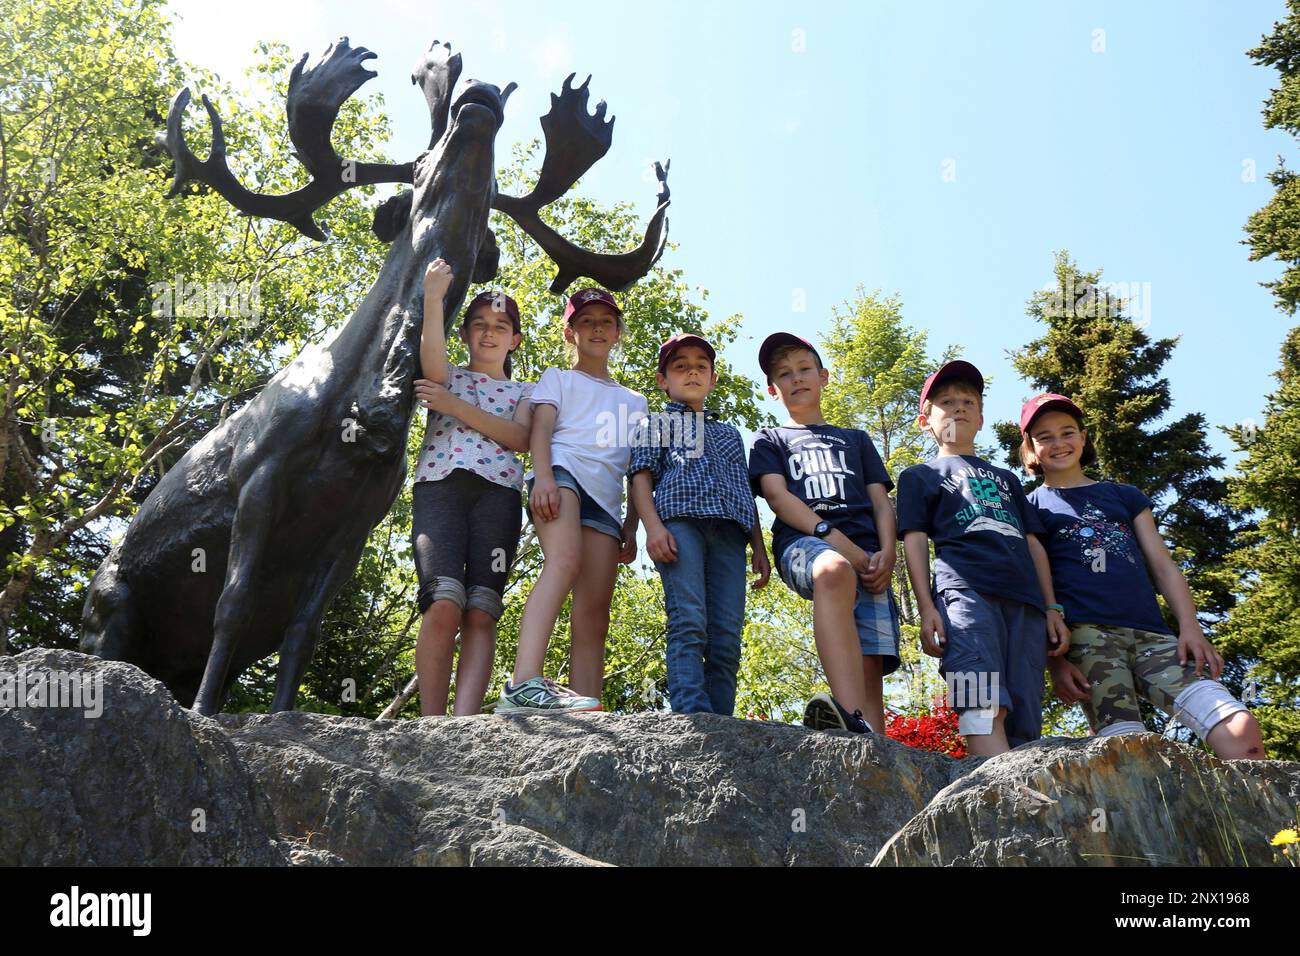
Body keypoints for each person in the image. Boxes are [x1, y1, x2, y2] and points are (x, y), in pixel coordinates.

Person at [1020, 393, 1267, 758]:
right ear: (1031, 447)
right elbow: (1034, 586)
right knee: (1129, 754)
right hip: (1088, 641)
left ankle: (1255, 815)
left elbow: (1162, 564)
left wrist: (1190, 627)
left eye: (1067, 432)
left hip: (1154, 636)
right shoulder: (1030, 507)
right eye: (1045, 436)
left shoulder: (1124, 496)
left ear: (1084, 437)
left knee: (1239, 729)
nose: (1059, 443)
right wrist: (1056, 662)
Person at [896, 361, 1071, 755]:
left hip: (1026, 604)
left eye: (968, 402)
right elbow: (915, 541)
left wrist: (1052, 607)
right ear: (925, 421)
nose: (958, 408)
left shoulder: (1007, 479)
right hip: (965, 592)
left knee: (1026, 706)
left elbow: (1033, 544)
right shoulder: (919, 476)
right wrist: (927, 607)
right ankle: (991, 782)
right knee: (976, 689)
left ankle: (1024, 794)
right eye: (945, 402)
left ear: (980, 419)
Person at [499, 288, 648, 712]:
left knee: (595, 608)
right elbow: (540, 431)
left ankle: (588, 704)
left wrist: (632, 526)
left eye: (606, 321)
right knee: (563, 561)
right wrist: (543, 477)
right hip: (561, 473)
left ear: (618, 333)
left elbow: (638, 467)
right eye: (586, 321)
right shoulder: (557, 378)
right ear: (570, 332)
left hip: (606, 501)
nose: (597, 328)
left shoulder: (634, 401)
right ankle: (523, 682)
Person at [748, 333, 899, 735]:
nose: (795, 378)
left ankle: (873, 747)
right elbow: (777, 497)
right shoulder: (770, 439)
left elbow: (882, 502)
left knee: (870, 661)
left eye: (803, 369)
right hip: (805, 543)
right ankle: (847, 717)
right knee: (833, 571)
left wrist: (888, 552)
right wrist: (831, 537)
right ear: (772, 390)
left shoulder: (857, 439)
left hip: (870, 556)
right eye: (783, 374)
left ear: (824, 376)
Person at [411, 259, 533, 716]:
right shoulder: (449, 377)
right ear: (463, 333)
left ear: (514, 340)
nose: (488, 333)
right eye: (479, 324)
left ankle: (464, 723)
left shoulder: (527, 391)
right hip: (439, 489)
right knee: (443, 600)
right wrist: (433, 298)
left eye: (501, 326)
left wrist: (452, 407)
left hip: (498, 497)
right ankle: (430, 721)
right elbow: (434, 374)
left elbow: (519, 438)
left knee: (481, 610)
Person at [629, 333, 770, 715]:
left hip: (730, 532)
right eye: (680, 366)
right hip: (680, 526)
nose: (691, 372)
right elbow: (640, 478)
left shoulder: (729, 434)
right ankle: (691, 710)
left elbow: (745, 489)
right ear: (663, 380)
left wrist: (759, 546)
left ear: (713, 379)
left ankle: (722, 719)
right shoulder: (655, 423)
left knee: (726, 634)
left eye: (700, 367)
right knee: (689, 619)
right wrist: (653, 528)